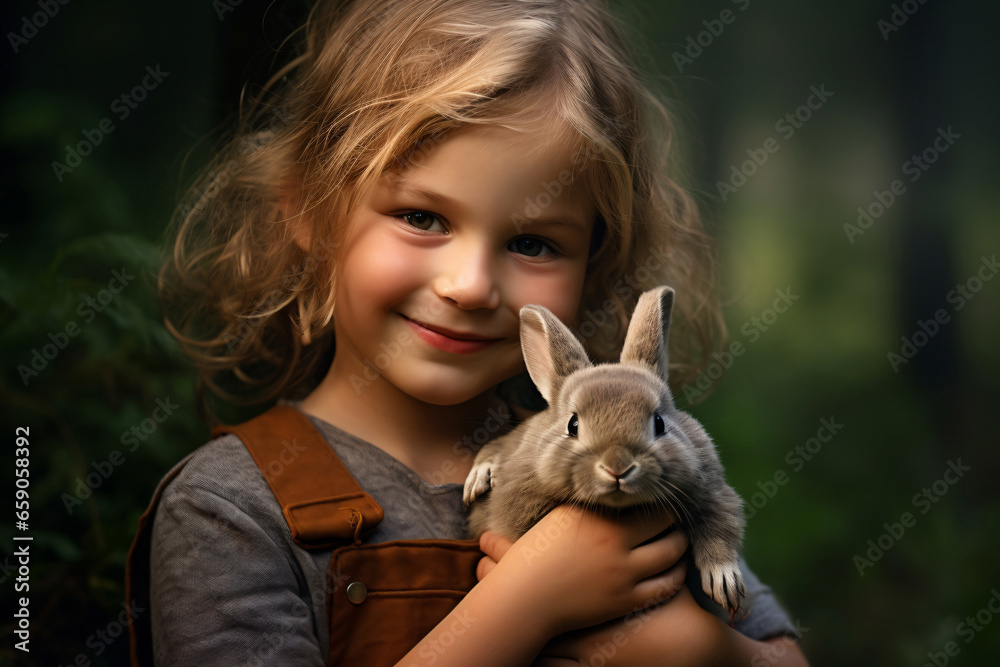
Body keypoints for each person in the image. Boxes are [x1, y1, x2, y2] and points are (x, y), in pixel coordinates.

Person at [127, 0, 809, 664]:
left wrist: (705, 649)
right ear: (310, 210)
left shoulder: (628, 463)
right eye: (422, 218)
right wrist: (525, 603)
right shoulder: (229, 510)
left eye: (534, 242)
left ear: (592, 264)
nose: (471, 284)